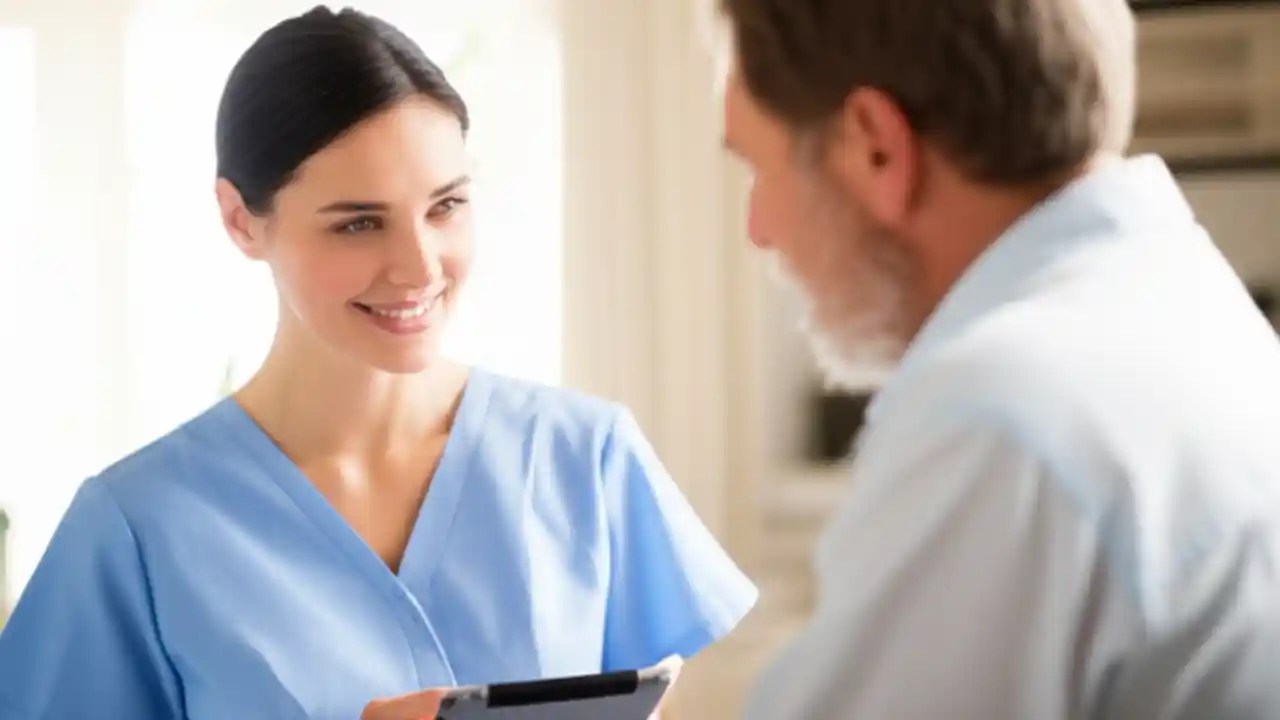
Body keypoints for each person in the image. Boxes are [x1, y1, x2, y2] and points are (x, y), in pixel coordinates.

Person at [0, 7, 756, 719]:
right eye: (359, 223)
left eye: (446, 206)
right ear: (240, 220)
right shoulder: (137, 529)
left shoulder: (585, 461)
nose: (417, 267)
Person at [716, 0, 1280, 718]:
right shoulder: (1192, 310)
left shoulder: (998, 414)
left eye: (758, 169)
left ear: (876, 147)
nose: (759, 229)